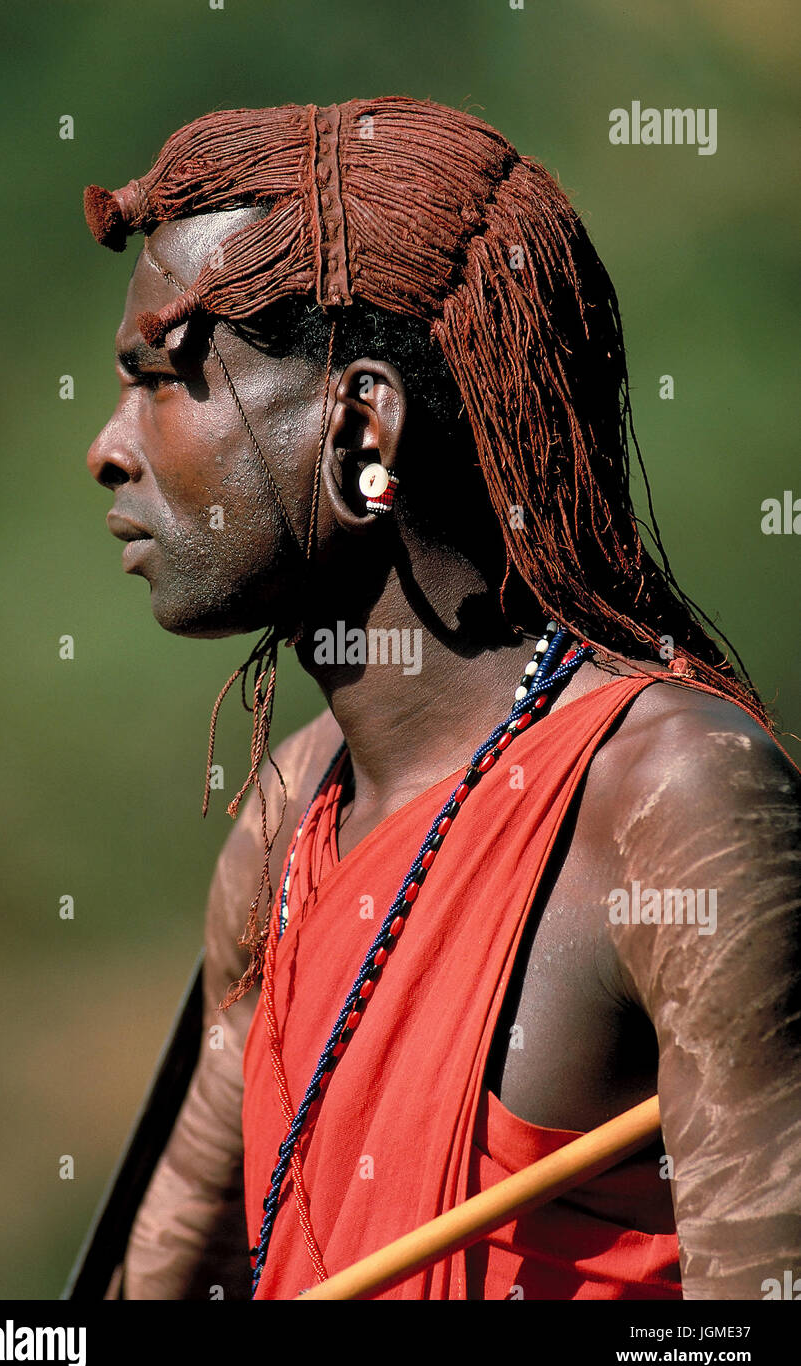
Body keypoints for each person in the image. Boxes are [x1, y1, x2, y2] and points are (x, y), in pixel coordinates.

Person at [77, 97, 801, 1300]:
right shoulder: (288, 818)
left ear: (362, 425)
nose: (107, 446)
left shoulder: (670, 801)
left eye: (165, 377)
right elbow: (158, 1279)